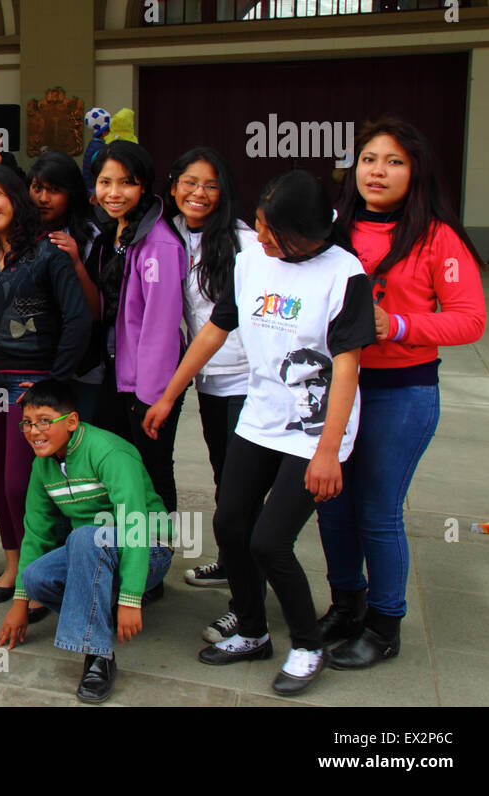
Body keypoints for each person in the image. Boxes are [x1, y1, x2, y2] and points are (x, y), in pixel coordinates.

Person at [143, 170, 376, 696]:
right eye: (263, 227)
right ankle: (250, 629)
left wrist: (327, 454)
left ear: (307, 233)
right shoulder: (252, 263)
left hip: (315, 429)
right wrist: (169, 393)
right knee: (230, 523)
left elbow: (346, 369)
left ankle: (308, 641)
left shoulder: (344, 275)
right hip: (262, 415)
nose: (263, 238)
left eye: (274, 232)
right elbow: (214, 330)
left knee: (271, 541)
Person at [316, 117, 486, 668]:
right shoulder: (333, 229)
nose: (378, 171)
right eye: (369, 159)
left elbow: (470, 320)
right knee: (331, 503)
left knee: (376, 510)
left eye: (393, 161)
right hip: (337, 389)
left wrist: (402, 327)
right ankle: (347, 603)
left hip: (401, 391)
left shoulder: (439, 237)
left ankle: (385, 624)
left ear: (415, 172)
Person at [0, 379, 174, 703]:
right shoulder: (43, 465)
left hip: (149, 547)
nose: (35, 432)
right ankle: (101, 605)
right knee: (37, 578)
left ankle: (97, 656)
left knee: (85, 537)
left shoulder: (109, 452)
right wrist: (19, 605)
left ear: (72, 421)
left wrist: (131, 598)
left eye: (45, 422)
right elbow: (35, 534)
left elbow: (134, 524)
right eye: (28, 424)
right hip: (92, 549)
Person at [0, 164, 91, 608]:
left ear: (16, 198)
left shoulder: (49, 253)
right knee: (1, 482)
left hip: (33, 383)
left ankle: (40, 576)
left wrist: (52, 384)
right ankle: (14, 564)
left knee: (24, 484)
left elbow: (79, 321)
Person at [165, 148, 257, 645]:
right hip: (209, 380)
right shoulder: (169, 232)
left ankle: (248, 607)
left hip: (249, 380)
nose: (199, 193)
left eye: (211, 185)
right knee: (226, 477)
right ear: (174, 183)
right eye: (190, 182)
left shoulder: (245, 240)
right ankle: (232, 563)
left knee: (241, 496)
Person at [89, 141, 186, 519]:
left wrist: (152, 397)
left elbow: (161, 329)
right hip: (116, 373)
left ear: (143, 186)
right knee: (119, 469)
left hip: (147, 384)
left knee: (153, 473)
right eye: (104, 182)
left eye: (125, 183)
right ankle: (127, 558)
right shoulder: (113, 230)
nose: (113, 193)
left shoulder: (157, 242)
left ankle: (154, 569)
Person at [29, 151, 103, 417]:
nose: (43, 198)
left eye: (54, 190)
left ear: (71, 193)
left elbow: (95, 312)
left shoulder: (90, 235)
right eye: (37, 188)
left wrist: (76, 262)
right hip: (37, 361)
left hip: (82, 366)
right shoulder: (22, 233)